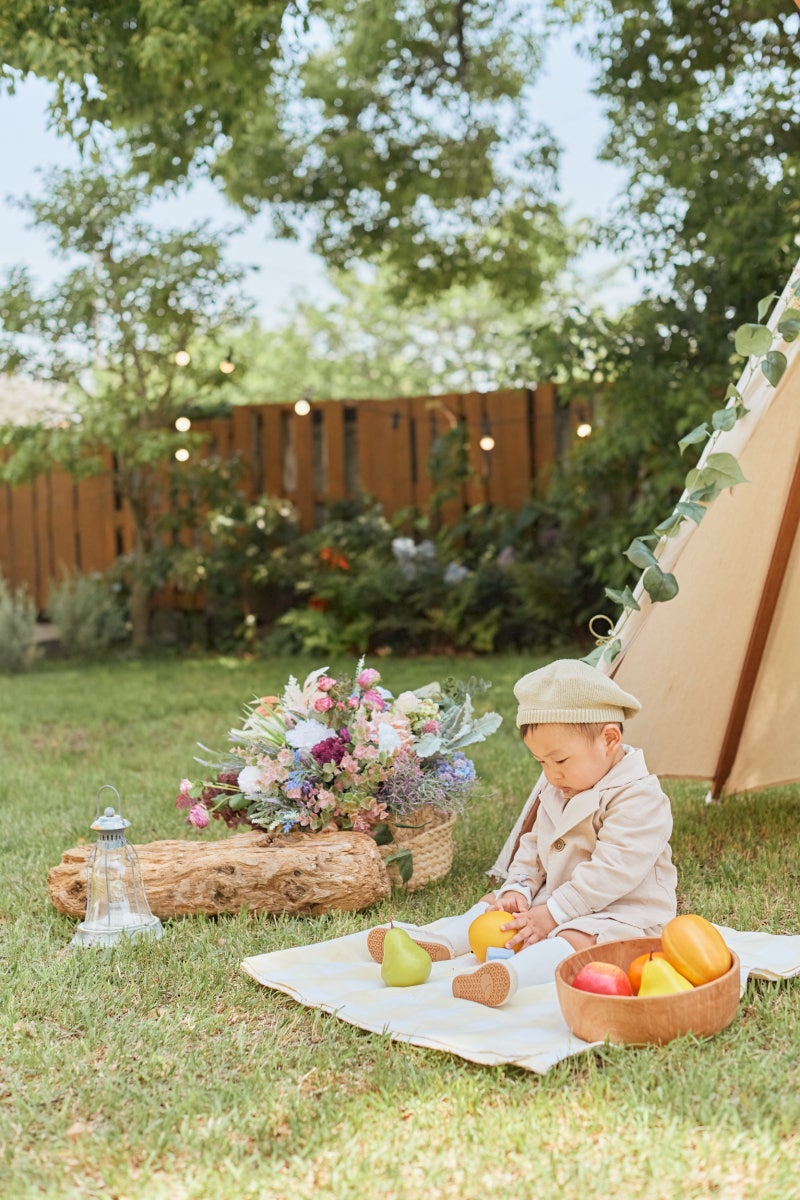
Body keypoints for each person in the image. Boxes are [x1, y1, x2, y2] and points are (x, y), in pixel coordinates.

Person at [366, 658, 678, 1006]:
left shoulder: (639, 797)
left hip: (623, 910)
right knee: (495, 907)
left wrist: (553, 914)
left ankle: (511, 976)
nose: (551, 774)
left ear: (609, 739)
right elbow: (534, 845)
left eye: (559, 761)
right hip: (558, 898)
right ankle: (448, 941)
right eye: (540, 763)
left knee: (580, 938)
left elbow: (613, 871)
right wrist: (520, 887)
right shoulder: (561, 787)